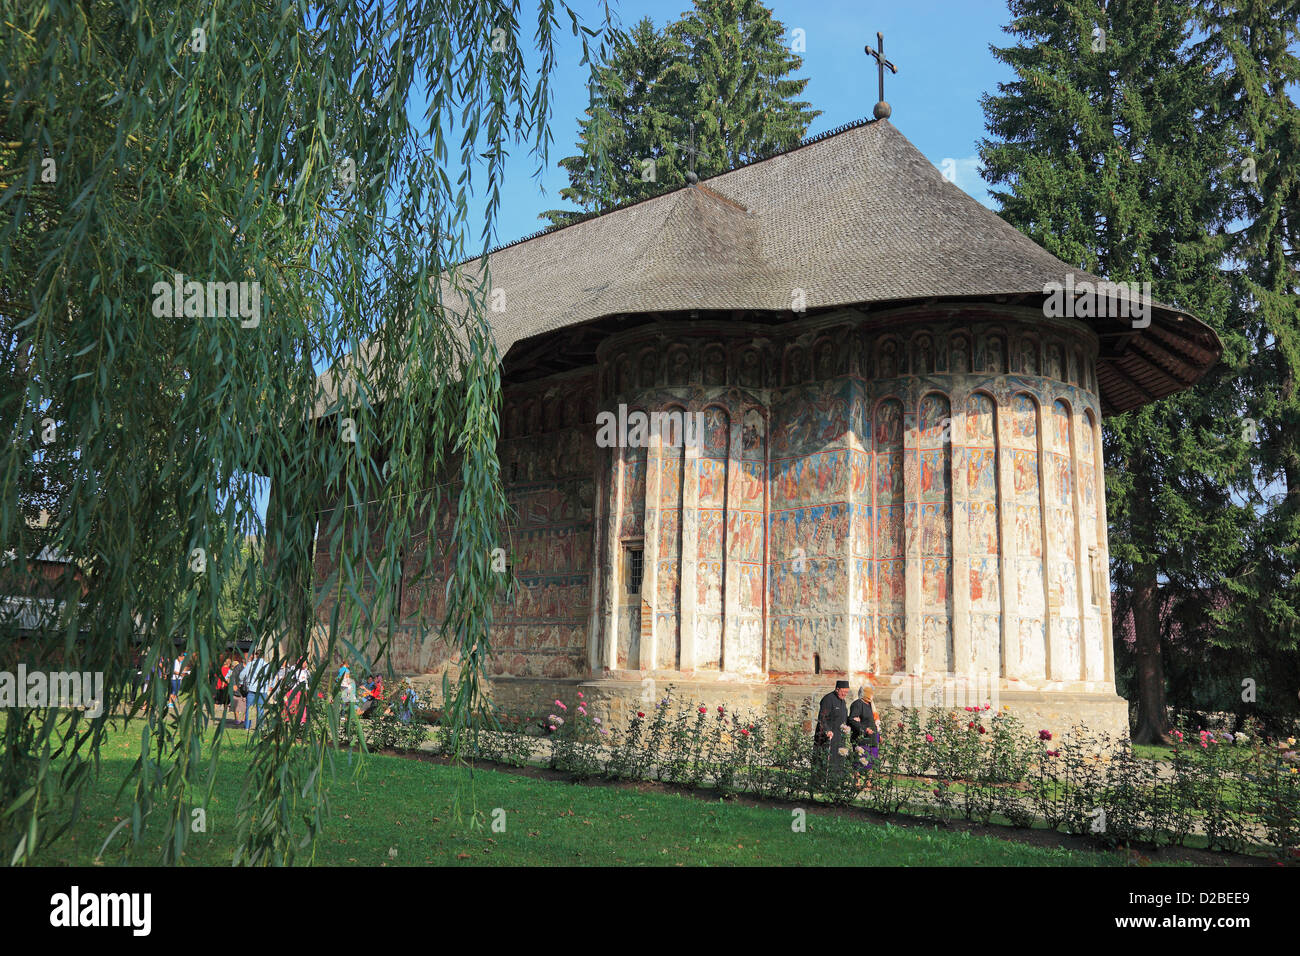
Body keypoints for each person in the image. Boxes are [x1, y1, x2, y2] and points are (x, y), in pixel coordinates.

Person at [815, 679, 851, 774]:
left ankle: (837, 784)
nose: (845, 694)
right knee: (827, 762)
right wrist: (827, 731)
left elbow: (842, 718)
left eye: (846, 692)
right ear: (837, 689)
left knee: (838, 763)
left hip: (839, 738)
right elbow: (822, 718)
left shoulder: (843, 702)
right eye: (843, 692)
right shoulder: (828, 699)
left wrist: (853, 720)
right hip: (828, 737)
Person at [849, 685, 880, 769]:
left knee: (872, 763)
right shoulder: (857, 704)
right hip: (862, 740)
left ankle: (869, 782)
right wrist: (865, 729)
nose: (871, 695)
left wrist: (878, 735)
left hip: (872, 739)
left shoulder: (871, 705)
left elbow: (874, 721)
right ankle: (857, 781)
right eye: (869, 692)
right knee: (859, 763)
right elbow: (852, 720)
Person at [240, 650, 270, 731]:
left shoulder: (251, 664)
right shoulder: (267, 665)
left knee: (250, 708)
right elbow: (271, 677)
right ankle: (259, 727)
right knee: (260, 709)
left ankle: (247, 727)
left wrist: (242, 681)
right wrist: (270, 685)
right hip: (262, 689)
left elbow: (242, 675)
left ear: (256, 655)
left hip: (252, 688)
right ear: (263, 656)